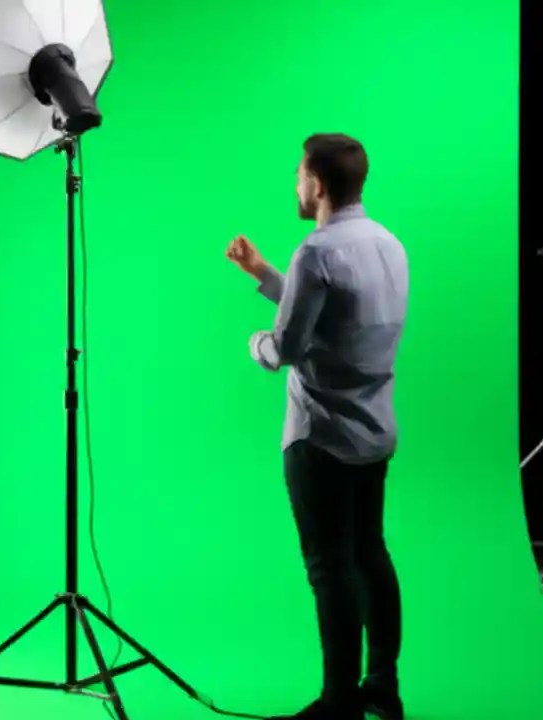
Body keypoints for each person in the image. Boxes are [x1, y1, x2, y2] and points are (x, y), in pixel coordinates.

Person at [226, 134, 408, 720]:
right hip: (374, 433)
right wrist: (262, 273)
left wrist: (254, 344)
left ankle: (338, 704)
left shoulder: (318, 251)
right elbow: (333, 315)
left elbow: (287, 345)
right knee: (371, 555)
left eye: (299, 174)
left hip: (321, 441)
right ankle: (380, 686)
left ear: (318, 185)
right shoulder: (388, 245)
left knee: (329, 569)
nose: (296, 184)